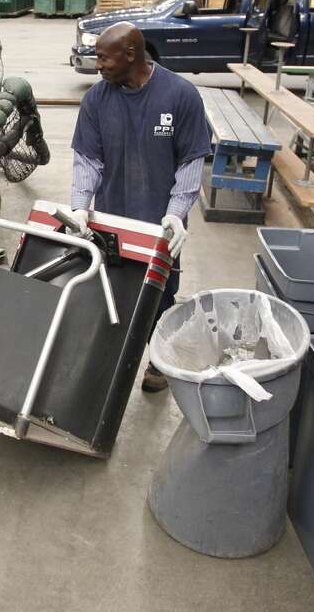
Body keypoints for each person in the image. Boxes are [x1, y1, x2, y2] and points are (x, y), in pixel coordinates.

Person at [69, 22, 212, 393]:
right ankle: (111, 361)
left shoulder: (180, 96)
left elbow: (190, 162)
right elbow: (88, 160)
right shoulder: (97, 101)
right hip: (113, 220)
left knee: (162, 296)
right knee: (114, 289)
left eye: (102, 57)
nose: (97, 64)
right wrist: (80, 208)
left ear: (130, 55)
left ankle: (160, 360)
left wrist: (176, 213)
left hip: (161, 224)